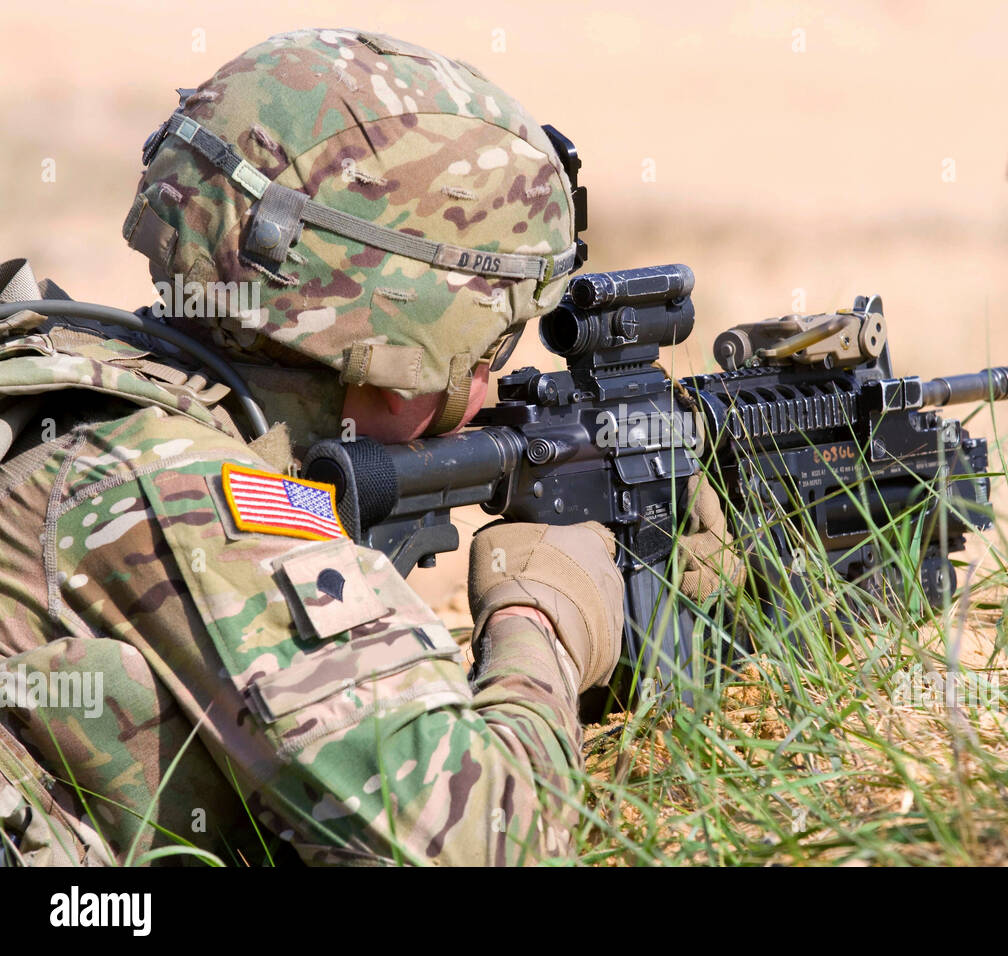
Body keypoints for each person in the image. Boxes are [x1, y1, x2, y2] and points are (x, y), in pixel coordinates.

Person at [0, 28, 729, 866]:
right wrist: (546, 623)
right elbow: (485, 844)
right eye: (492, 346)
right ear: (406, 338)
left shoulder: (87, 393)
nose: (491, 391)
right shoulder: (186, 492)